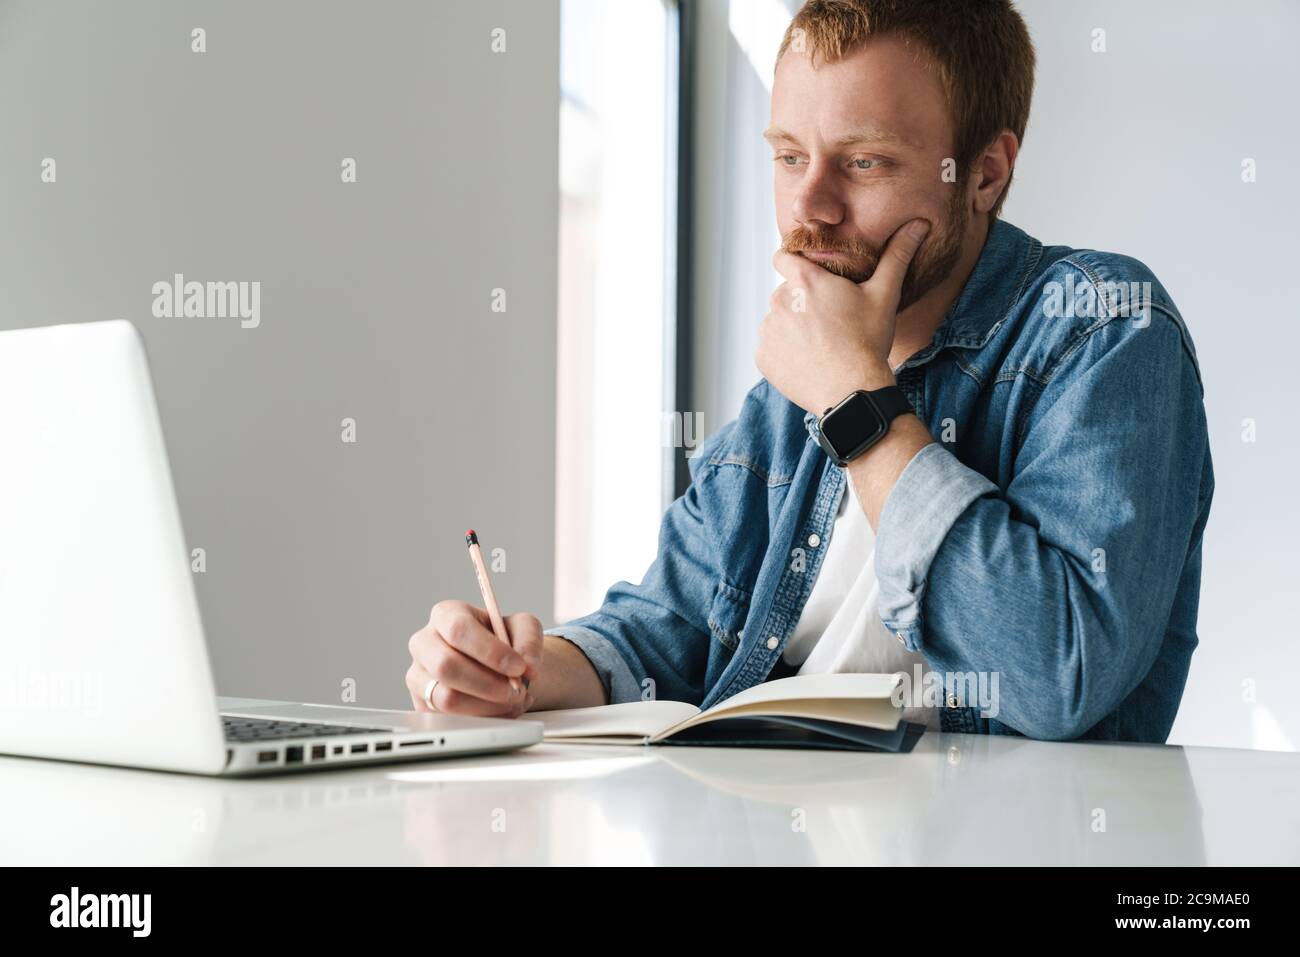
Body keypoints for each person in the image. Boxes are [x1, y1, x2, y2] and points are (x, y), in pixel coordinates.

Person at [404, 0, 1214, 742]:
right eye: (790, 156)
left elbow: (1057, 673)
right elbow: (663, 630)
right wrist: (518, 674)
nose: (809, 208)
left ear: (986, 173)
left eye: (863, 164)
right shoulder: (791, 384)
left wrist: (854, 402)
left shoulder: (1103, 330)